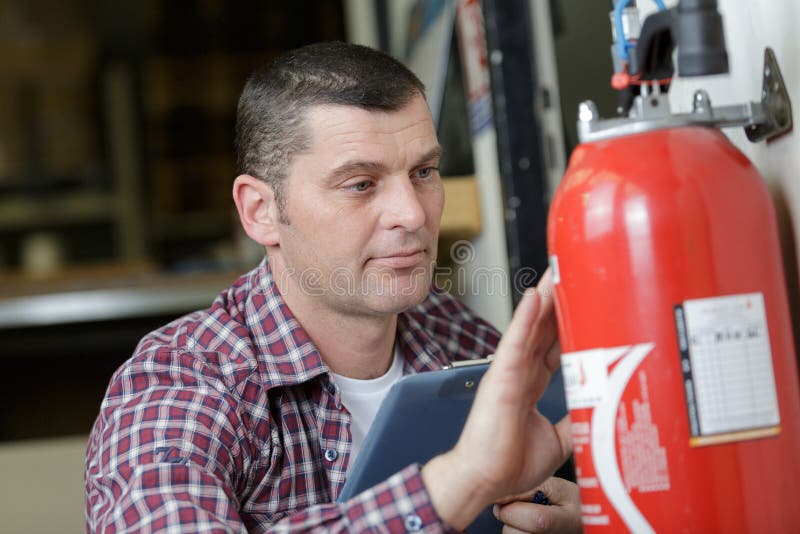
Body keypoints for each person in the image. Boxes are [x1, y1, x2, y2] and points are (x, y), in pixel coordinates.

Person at [85, 41, 579, 533]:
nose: (412, 213)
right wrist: (458, 483)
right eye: (361, 184)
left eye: (423, 172)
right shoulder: (181, 381)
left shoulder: (461, 337)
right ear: (262, 211)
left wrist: (590, 518)